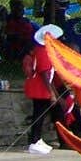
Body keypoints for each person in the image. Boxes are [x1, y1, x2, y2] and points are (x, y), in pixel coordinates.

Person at [22, 23, 65, 154]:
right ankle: (34, 141)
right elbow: (44, 72)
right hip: (39, 87)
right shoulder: (43, 51)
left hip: (42, 86)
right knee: (39, 114)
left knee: (40, 113)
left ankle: (37, 139)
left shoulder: (42, 50)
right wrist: (51, 93)